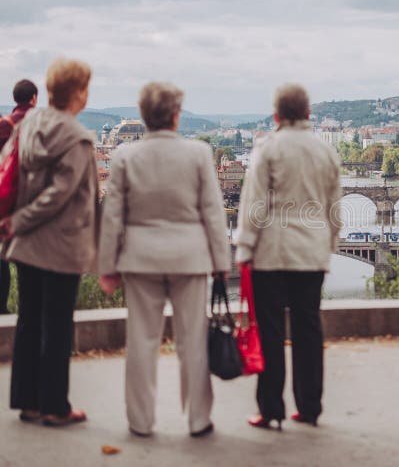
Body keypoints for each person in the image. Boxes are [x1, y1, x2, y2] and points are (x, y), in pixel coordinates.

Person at [98, 82, 229, 437]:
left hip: (141, 258)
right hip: (189, 257)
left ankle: (140, 421)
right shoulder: (198, 153)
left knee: (142, 342)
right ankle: (198, 419)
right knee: (193, 340)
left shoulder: (125, 157)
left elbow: (113, 216)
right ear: (176, 115)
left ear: (144, 117)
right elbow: (213, 213)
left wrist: (107, 266)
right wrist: (221, 261)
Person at [236, 83, 342, 429]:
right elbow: (335, 208)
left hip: (273, 252)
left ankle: (271, 409)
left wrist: (244, 247)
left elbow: (255, 205)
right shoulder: (326, 151)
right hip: (311, 252)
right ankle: (310, 406)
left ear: (276, 116)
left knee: (269, 331)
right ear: (308, 114)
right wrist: (329, 244)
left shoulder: (268, 149)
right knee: (308, 328)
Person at [0, 59, 98, 425]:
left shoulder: (29, 125)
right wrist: (19, 221)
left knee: (29, 321)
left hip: (27, 244)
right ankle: (56, 406)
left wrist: (15, 222)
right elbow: (60, 195)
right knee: (57, 325)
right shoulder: (76, 138)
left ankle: (27, 401)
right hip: (60, 244)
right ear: (78, 93)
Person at [0, 79, 37, 314]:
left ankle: (2, 307)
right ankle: (29, 309)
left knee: (2, 256)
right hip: (32, 201)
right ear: (34, 98)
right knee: (30, 261)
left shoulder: (5, 125)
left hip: (6, 198)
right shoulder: (40, 124)